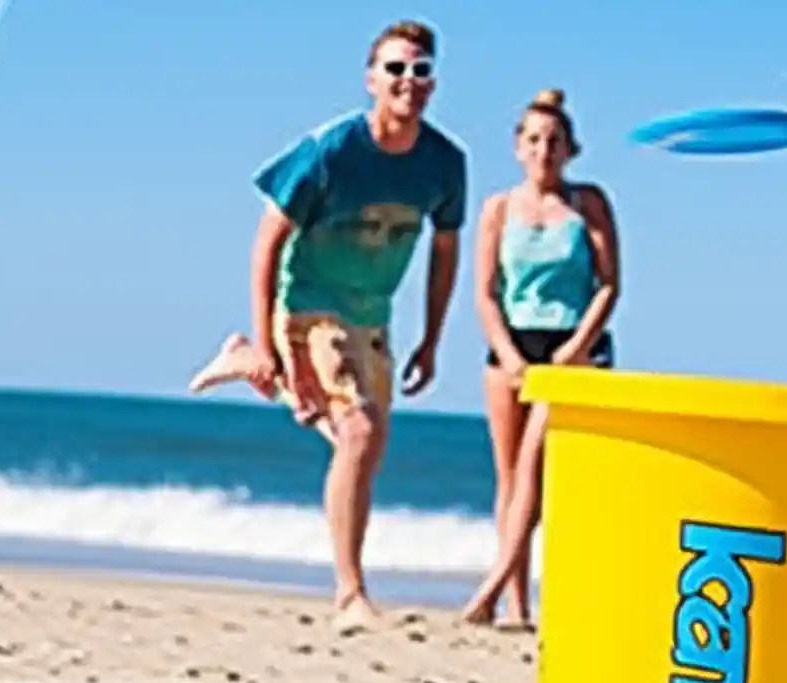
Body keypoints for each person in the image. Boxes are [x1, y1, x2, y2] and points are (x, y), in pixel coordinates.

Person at [186, 20, 466, 632]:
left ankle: (245, 360)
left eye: (420, 69)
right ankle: (349, 595)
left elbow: (445, 253)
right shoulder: (329, 151)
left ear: (433, 82)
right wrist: (270, 340)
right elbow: (267, 244)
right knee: (359, 432)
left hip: (372, 317)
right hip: (308, 305)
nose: (408, 80)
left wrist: (432, 338)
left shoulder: (445, 164)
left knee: (361, 447)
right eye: (395, 68)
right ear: (371, 80)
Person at [460, 89, 620, 629]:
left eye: (554, 141)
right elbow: (485, 292)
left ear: (570, 149)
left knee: (535, 467)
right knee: (509, 477)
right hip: (513, 346)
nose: (543, 150)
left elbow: (609, 284)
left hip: (572, 347)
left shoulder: (587, 204)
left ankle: (490, 588)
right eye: (533, 140)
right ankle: (517, 605)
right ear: (517, 147)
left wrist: (576, 348)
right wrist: (508, 355)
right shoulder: (498, 209)